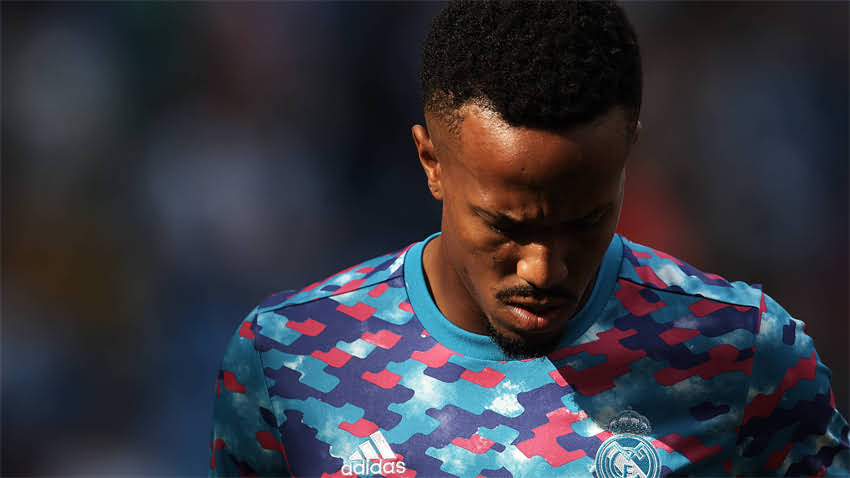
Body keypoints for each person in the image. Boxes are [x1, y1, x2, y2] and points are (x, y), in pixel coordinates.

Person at [209, 1, 850, 476]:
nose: (544, 270)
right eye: (506, 226)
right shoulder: (285, 361)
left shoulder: (745, 354)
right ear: (431, 163)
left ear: (626, 159)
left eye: (584, 222)